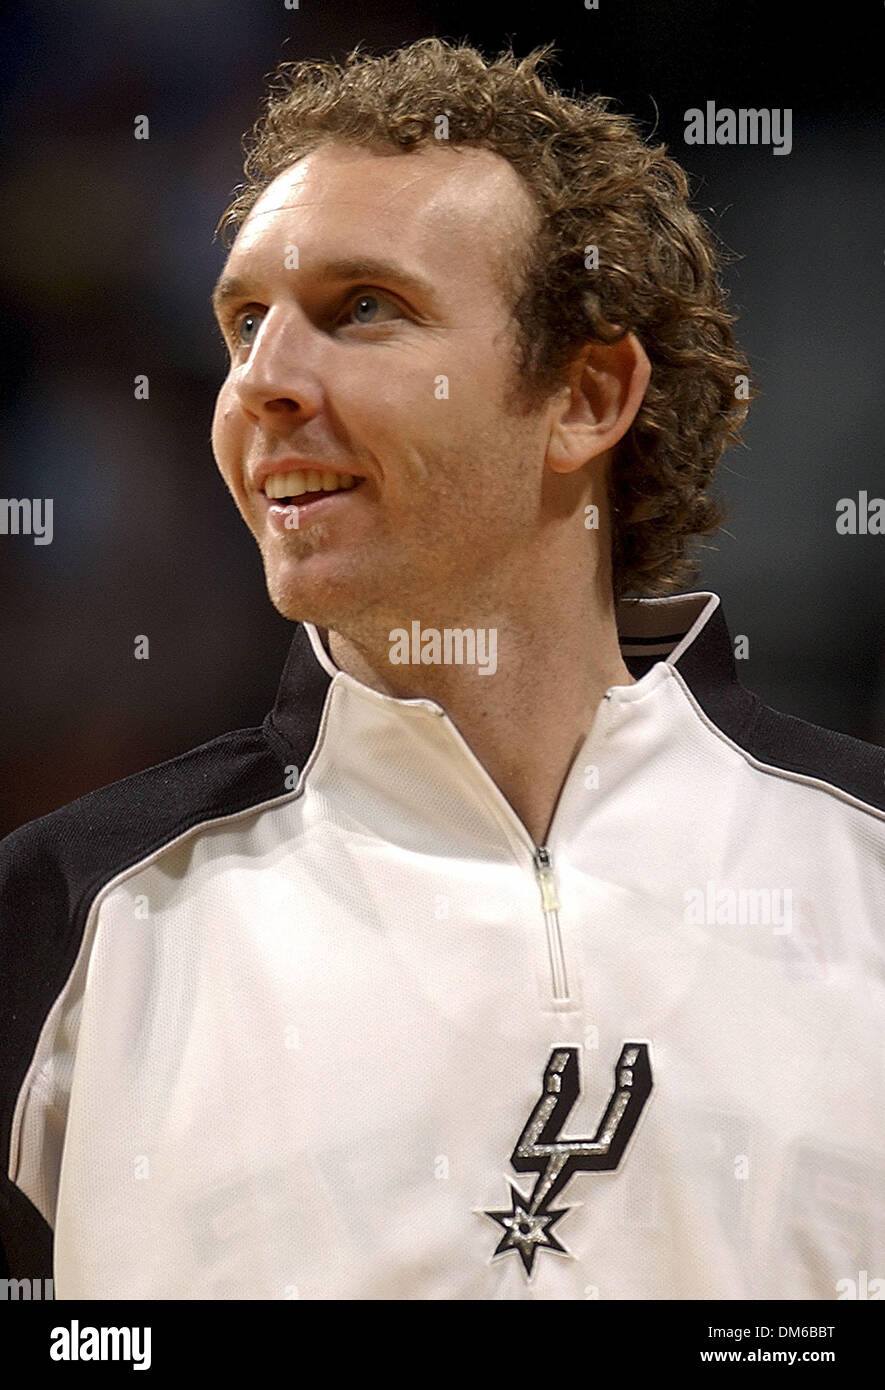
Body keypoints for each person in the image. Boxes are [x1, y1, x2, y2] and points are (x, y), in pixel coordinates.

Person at [2, 37, 883, 1301]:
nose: (262, 385)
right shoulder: (61, 917)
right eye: (245, 323)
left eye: (363, 308)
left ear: (587, 395)